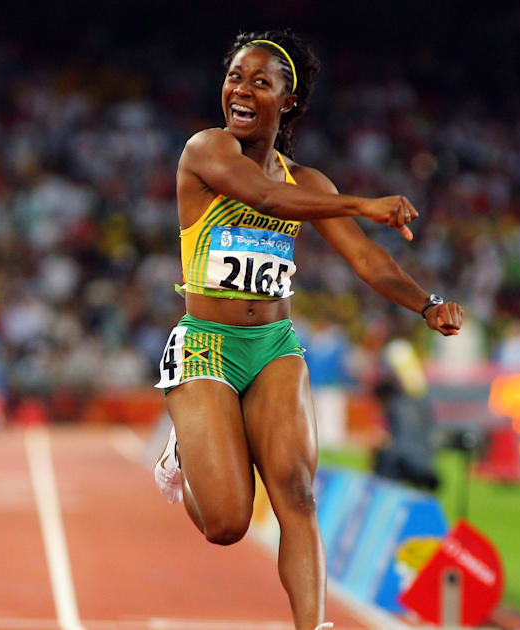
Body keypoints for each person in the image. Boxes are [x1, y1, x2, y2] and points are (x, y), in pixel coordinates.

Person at [150, 30, 464, 630]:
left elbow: (369, 261)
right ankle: (183, 454)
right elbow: (263, 196)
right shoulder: (206, 150)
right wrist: (360, 203)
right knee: (227, 524)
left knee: (298, 497)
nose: (241, 90)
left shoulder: (310, 183)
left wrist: (428, 304)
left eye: (259, 82)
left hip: (273, 347)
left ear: (287, 102)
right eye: (235, 77)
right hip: (206, 345)